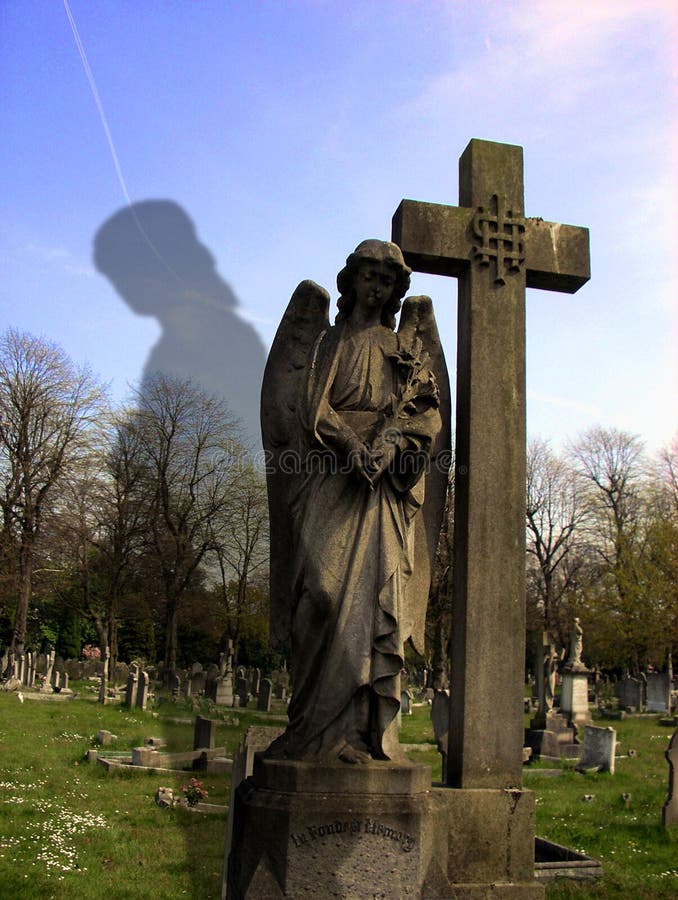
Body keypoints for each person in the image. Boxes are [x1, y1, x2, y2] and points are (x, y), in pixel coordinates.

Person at [263, 240, 446, 764]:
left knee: (373, 604)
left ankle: (360, 735)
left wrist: (391, 446)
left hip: (381, 490)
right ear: (351, 281)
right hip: (329, 474)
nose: (376, 287)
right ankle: (310, 731)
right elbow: (311, 409)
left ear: (395, 291)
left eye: (386, 281)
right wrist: (352, 445)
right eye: (368, 276)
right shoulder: (331, 341)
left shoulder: (403, 351)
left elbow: (424, 417)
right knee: (319, 591)